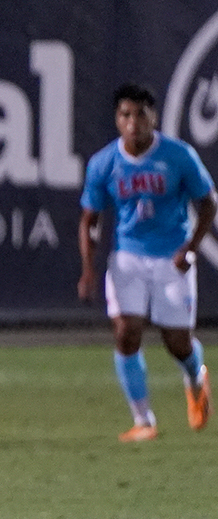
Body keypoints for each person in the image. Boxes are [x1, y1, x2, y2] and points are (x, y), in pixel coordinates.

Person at [78, 83, 218, 442]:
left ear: (153, 117)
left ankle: (195, 377)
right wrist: (89, 270)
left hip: (172, 258)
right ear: (117, 119)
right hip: (128, 257)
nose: (134, 122)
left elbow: (208, 202)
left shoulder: (178, 156)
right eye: (126, 114)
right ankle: (143, 420)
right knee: (126, 333)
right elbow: (89, 220)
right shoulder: (104, 162)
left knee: (177, 343)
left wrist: (190, 247)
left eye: (141, 114)